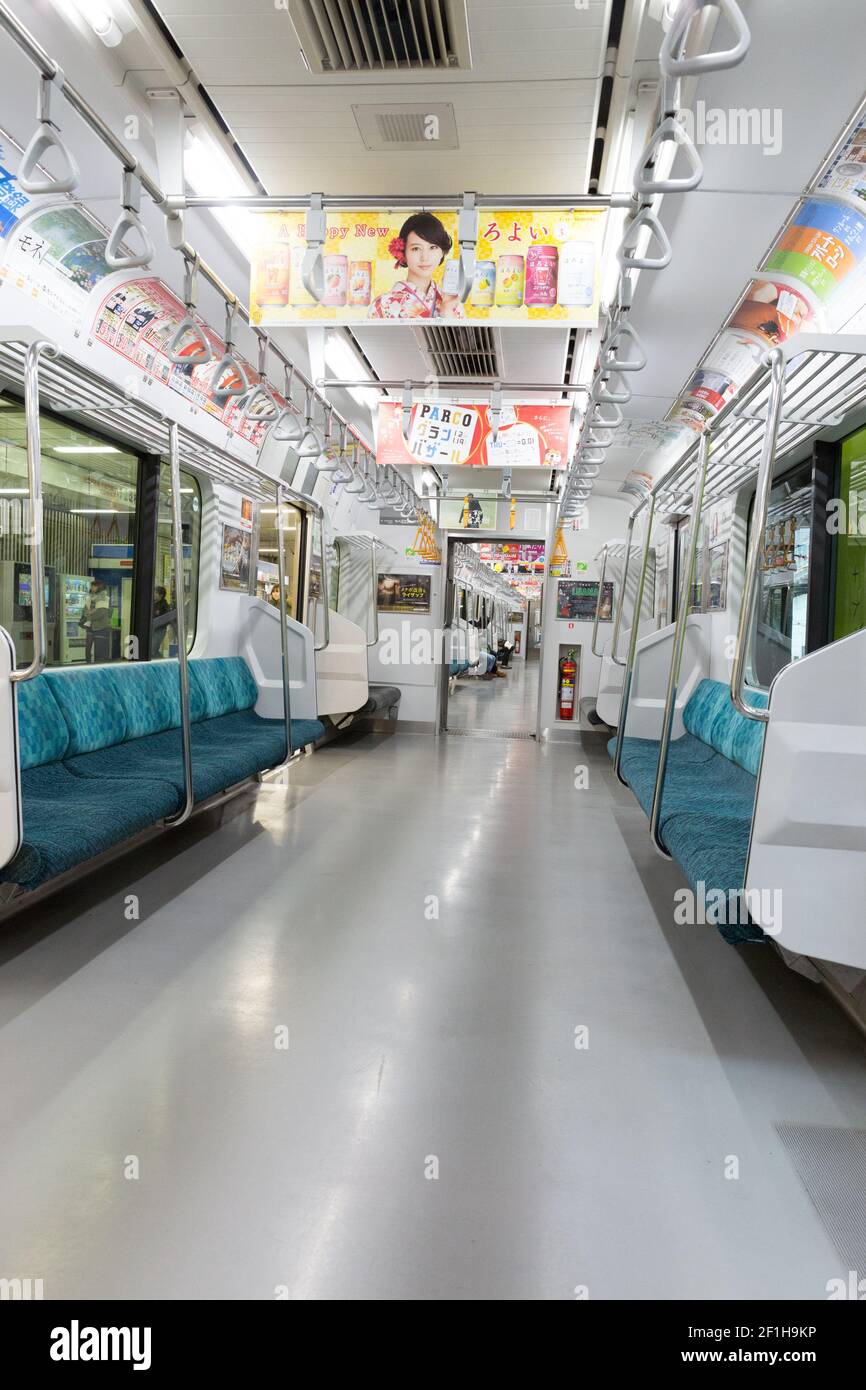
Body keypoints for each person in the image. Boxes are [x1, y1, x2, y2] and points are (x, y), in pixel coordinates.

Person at [368, 212, 464, 320]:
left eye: (433, 247)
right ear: (403, 252)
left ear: (442, 252)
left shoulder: (452, 304)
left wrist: (447, 311)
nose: (425, 257)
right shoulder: (383, 305)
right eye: (416, 248)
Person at [81, 579, 112, 663]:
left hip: (100, 627)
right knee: (87, 647)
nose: (92, 588)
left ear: (98, 587)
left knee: (99, 650)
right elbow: (84, 610)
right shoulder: (90, 598)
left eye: (93, 586)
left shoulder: (104, 598)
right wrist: (88, 614)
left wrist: (89, 616)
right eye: (91, 586)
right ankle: (87, 663)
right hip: (90, 627)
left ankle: (98, 664)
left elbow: (100, 613)